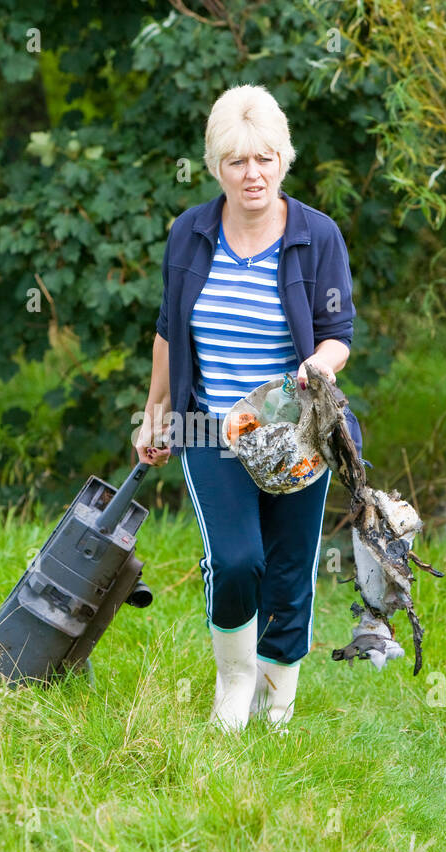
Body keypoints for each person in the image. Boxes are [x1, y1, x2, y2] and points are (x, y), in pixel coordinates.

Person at [135, 84, 363, 733]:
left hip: (296, 431)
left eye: (264, 158)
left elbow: (338, 334)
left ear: (283, 160)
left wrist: (320, 364)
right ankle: (234, 684)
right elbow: (168, 330)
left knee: (290, 567)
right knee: (237, 560)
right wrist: (155, 412)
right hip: (210, 427)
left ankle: (277, 706)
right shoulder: (190, 235)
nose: (252, 173)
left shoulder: (318, 236)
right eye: (237, 161)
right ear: (216, 166)